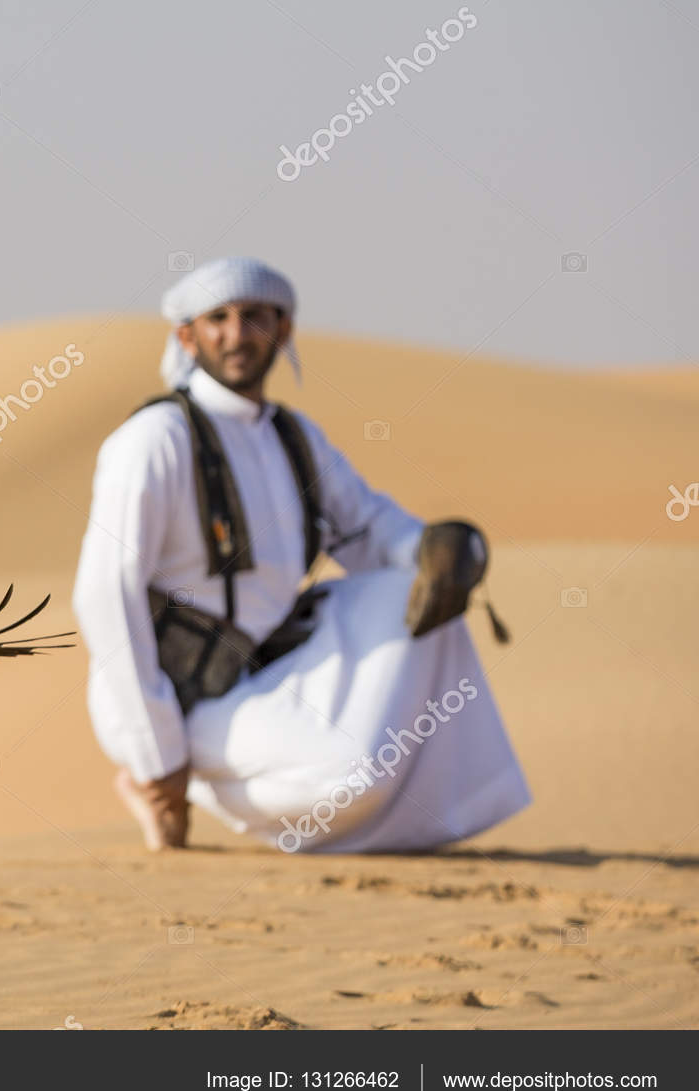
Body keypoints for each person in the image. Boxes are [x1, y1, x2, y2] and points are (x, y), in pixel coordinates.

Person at [72, 256, 529, 853]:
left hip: (276, 662)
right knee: (353, 777)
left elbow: (369, 529)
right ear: (187, 335)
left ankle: (422, 823)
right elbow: (106, 590)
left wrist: (446, 550)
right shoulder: (156, 441)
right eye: (219, 318)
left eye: (255, 317)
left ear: (282, 330)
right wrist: (156, 751)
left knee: (426, 596)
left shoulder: (293, 436)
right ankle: (164, 789)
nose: (237, 335)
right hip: (180, 693)